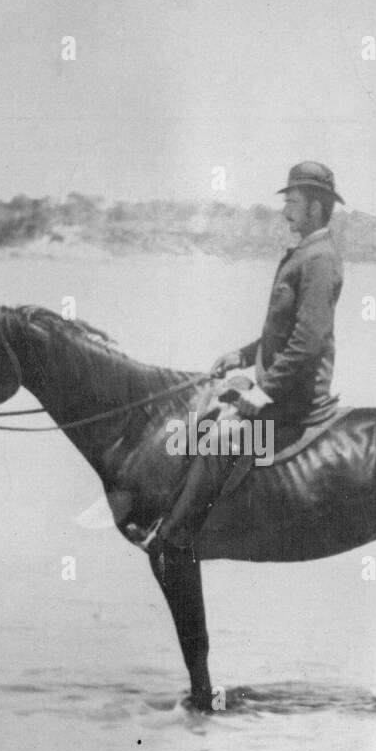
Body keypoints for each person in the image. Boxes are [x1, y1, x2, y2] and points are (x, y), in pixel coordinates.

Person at [153, 161, 345, 553]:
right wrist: (240, 356)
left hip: (296, 395)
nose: (286, 211)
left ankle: (178, 536)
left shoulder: (319, 259)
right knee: (203, 410)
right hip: (280, 383)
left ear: (314, 207)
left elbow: (306, 345)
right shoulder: (303, 254)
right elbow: (280, 335)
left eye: (293, 202)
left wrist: (260, 393)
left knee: (219, 436)